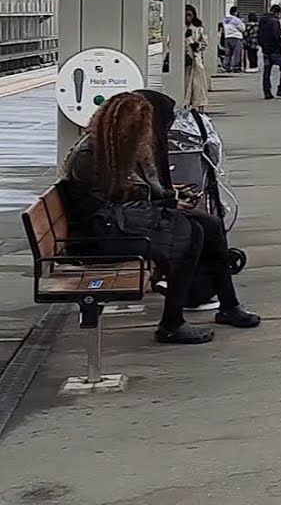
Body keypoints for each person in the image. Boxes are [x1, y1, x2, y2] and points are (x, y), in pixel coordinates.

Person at [61, 91, 260, 344]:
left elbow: (130, 195)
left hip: (116, 224)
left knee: (209, 224)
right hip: (98, 235)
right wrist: (167, 202)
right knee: (190, 234)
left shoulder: (114, 147)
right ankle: (171, 323)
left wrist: (171, 198)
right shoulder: (90, 154)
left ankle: (228, 305)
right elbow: (108, 204)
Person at [258, 4, 281, 100]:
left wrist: (263, 46)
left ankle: (267, 92)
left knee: (267, 71)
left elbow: (259, 34)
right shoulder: (275, 22)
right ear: (278, 12)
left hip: (266, 51)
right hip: (275, 51)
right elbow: (276, 36)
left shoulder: (262, 20)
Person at [184, 5, 210, 111]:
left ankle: (200, 108)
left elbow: (204, 43)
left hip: (196, 61)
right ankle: (184, 107)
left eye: (190, 15)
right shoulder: (179, 28)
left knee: (198, 86)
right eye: (185, 15)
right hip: (183, 62)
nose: (187, 18)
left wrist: (195, 44)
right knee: (185, 86)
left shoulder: (198, 28)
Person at [222, 7, 246, 73]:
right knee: (236, 53)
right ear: (235, 12)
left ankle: (227, 66)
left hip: (227, 37)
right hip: (236, 37)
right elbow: (242, 29)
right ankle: (236, 67)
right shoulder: (236, 20)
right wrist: (242, 22)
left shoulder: (225, 19)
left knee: (228, 53)